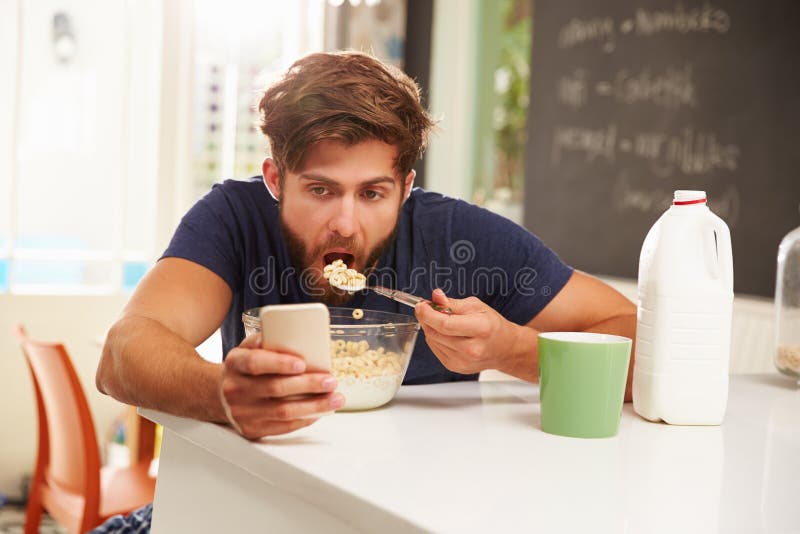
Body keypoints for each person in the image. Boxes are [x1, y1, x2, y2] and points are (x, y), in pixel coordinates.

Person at [96, 50, 636, 441]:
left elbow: (635, 343)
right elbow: (123, 353)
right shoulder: (233, 219)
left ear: (405, 188)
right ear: (276, 180)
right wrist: (222, 393)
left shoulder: (460, 239)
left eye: (372, 193)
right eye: (320, 189)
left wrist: (510, 349)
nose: (345, 224)